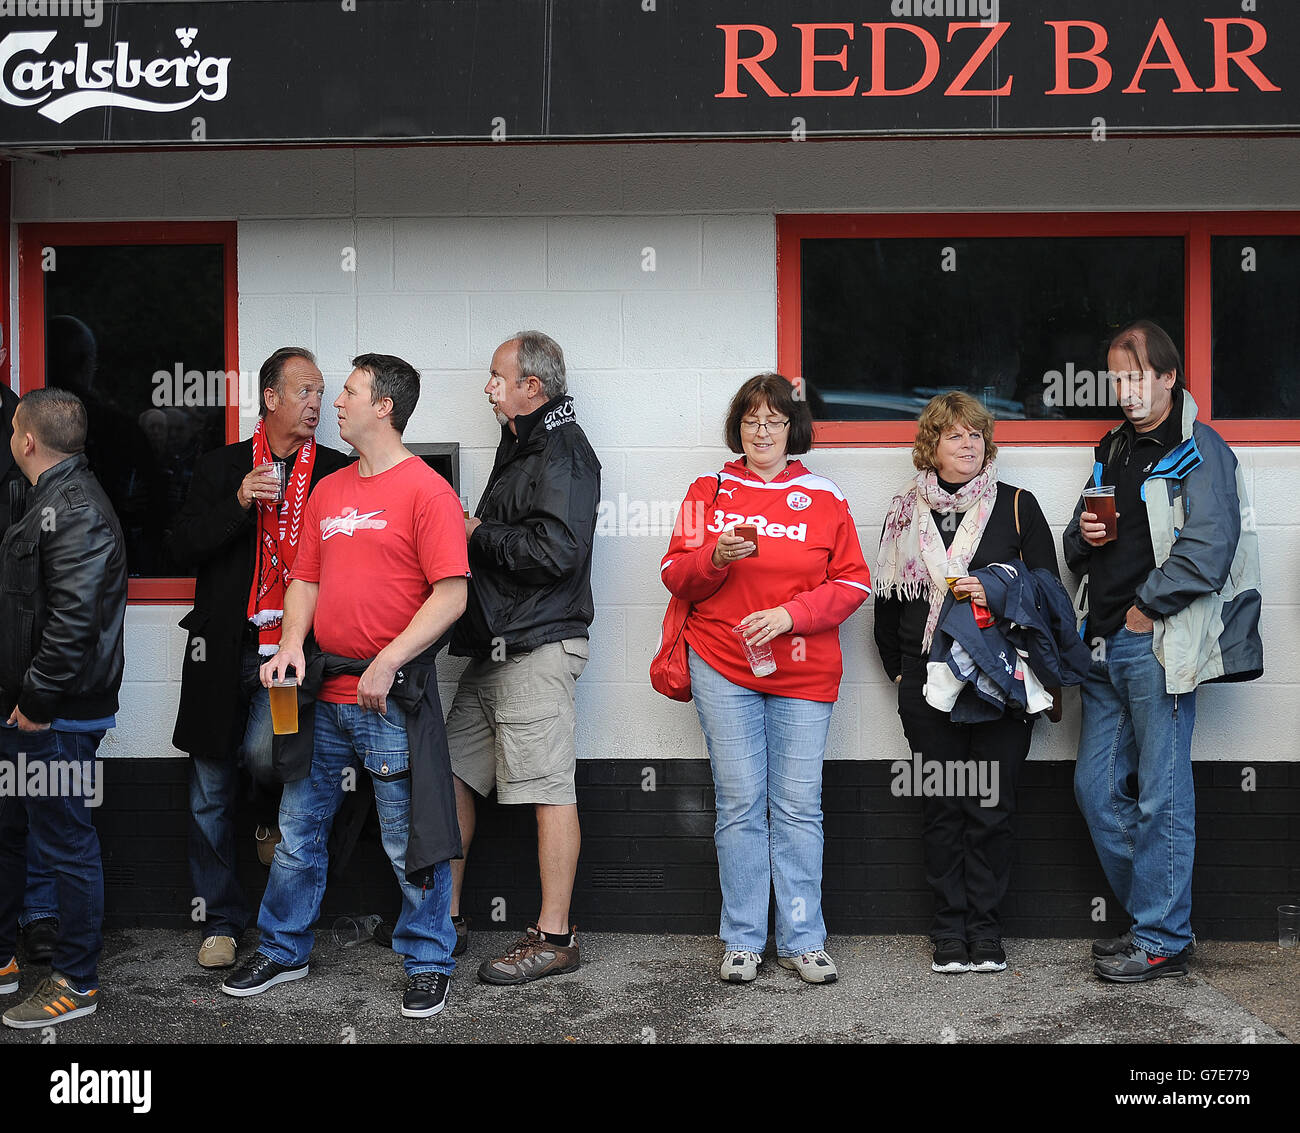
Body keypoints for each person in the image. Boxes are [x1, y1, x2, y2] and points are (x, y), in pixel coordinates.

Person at [221, 354, 468, 1019]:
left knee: (405, 837)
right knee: (300, 829)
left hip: (389, 695)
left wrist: (390, 659)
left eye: (350, 392)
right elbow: (305, 580)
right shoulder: (329, 489)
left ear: (383, 405)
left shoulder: (425, 491)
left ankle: (427, 959)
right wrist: (294, 644)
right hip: (323, 693)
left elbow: (451, 596)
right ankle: (282, 947)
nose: (336, 402)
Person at [1063, 320, 1262, 983]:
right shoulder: (1114, 447)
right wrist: (1083, 535)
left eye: (1139, 373)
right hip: (1103, 644)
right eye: (1118, 376)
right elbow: (1073, 539)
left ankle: (1162, 937)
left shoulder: (1200, 449)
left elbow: (1210, 546)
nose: (1127, 389)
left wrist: (1148, 608)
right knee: (1095, 789)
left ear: (1170, 377)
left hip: (1158, 642)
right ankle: (1158, 920)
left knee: (1161, 796)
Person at [660, 373, 870, 984]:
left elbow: (853, 582)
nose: (761, 431)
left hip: (804, 670)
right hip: (722, 664)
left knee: (799, 806)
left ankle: (804, 939)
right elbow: (675, 573)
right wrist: (712, 560)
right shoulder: (710, 488)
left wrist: (789, 615)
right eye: (751, 420)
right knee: (741, 804)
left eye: (774, 421)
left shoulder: (826, 497)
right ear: (738, 428)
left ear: (792, 429)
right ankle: (744, 940)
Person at [169, 348, 351, 971]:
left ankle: (268, 826)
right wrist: (239, 502)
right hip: (223, 651)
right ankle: (220, 921)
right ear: (269, 397)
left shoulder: (332, 472)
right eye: (304, 390)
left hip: (294, 654)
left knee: (265, 755)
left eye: (322, 393)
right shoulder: (221, 468)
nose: (316, 404)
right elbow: (183, 544)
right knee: (207, 791)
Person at [874, 392, 1060, 976]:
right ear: (932, 445)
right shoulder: (905, 511)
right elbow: (885, 598)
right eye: (954, 435)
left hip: (1000, 683)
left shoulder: (1016, 507)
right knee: (942, 808)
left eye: (976, 435)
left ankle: (986, 931)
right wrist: (899, 666)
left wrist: (996, 591)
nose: (968, 444)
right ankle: (949, 934)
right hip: (928, 683)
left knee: (991, 808)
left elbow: (1050, 592)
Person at [446, 331, 600, 985]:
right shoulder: (523, 443)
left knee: (545, 788)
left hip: (537, 645)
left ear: (532, 386)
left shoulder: (564, 449)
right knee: (447, 772)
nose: (487, 386)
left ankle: (555, 935)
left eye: (495, 375)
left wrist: (475, 533)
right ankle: (441, 919)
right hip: (495, 646)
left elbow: (556, 552)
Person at [0, 387, 127, 1028]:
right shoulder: (52, 498)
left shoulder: (72, 508)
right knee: (36, 833)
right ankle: (31, 967)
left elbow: (73, 620)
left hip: (59, 717)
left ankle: (77, 984)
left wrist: (36, 703)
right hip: (43, 712)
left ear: (25, 439)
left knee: (66, 842)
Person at [0, 382, 61, 964]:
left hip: (17, 652)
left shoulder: (25, 431)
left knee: (29, 796)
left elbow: (54, 585)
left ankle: (39, 915)